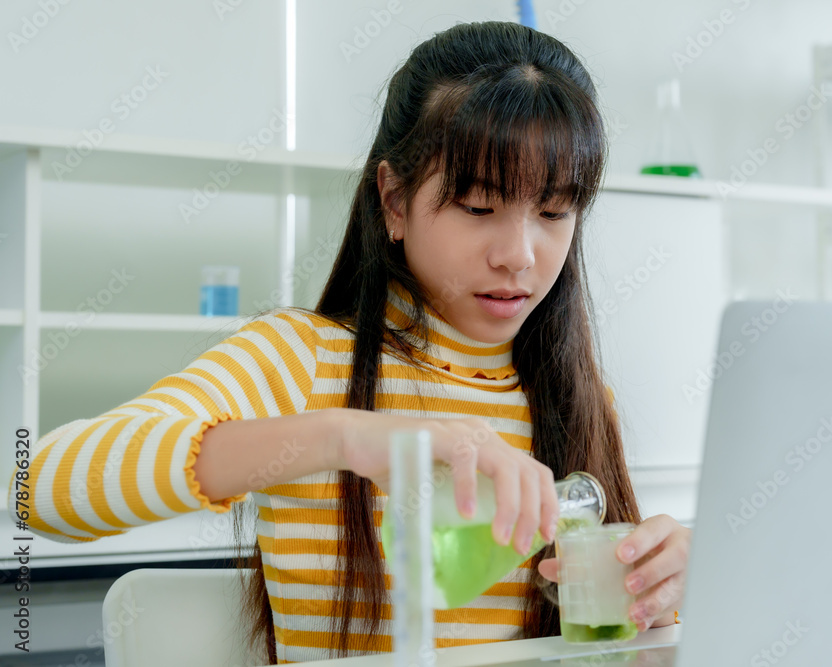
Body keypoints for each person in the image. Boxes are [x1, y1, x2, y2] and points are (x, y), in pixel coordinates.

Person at [7, 21, 689, 663]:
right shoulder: (301, 359)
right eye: (479, 207)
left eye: (553, 211)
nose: (519, 254)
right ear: (393, 201)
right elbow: (39, 486)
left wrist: (667, 589)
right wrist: (347, 437)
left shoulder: (575, 398)